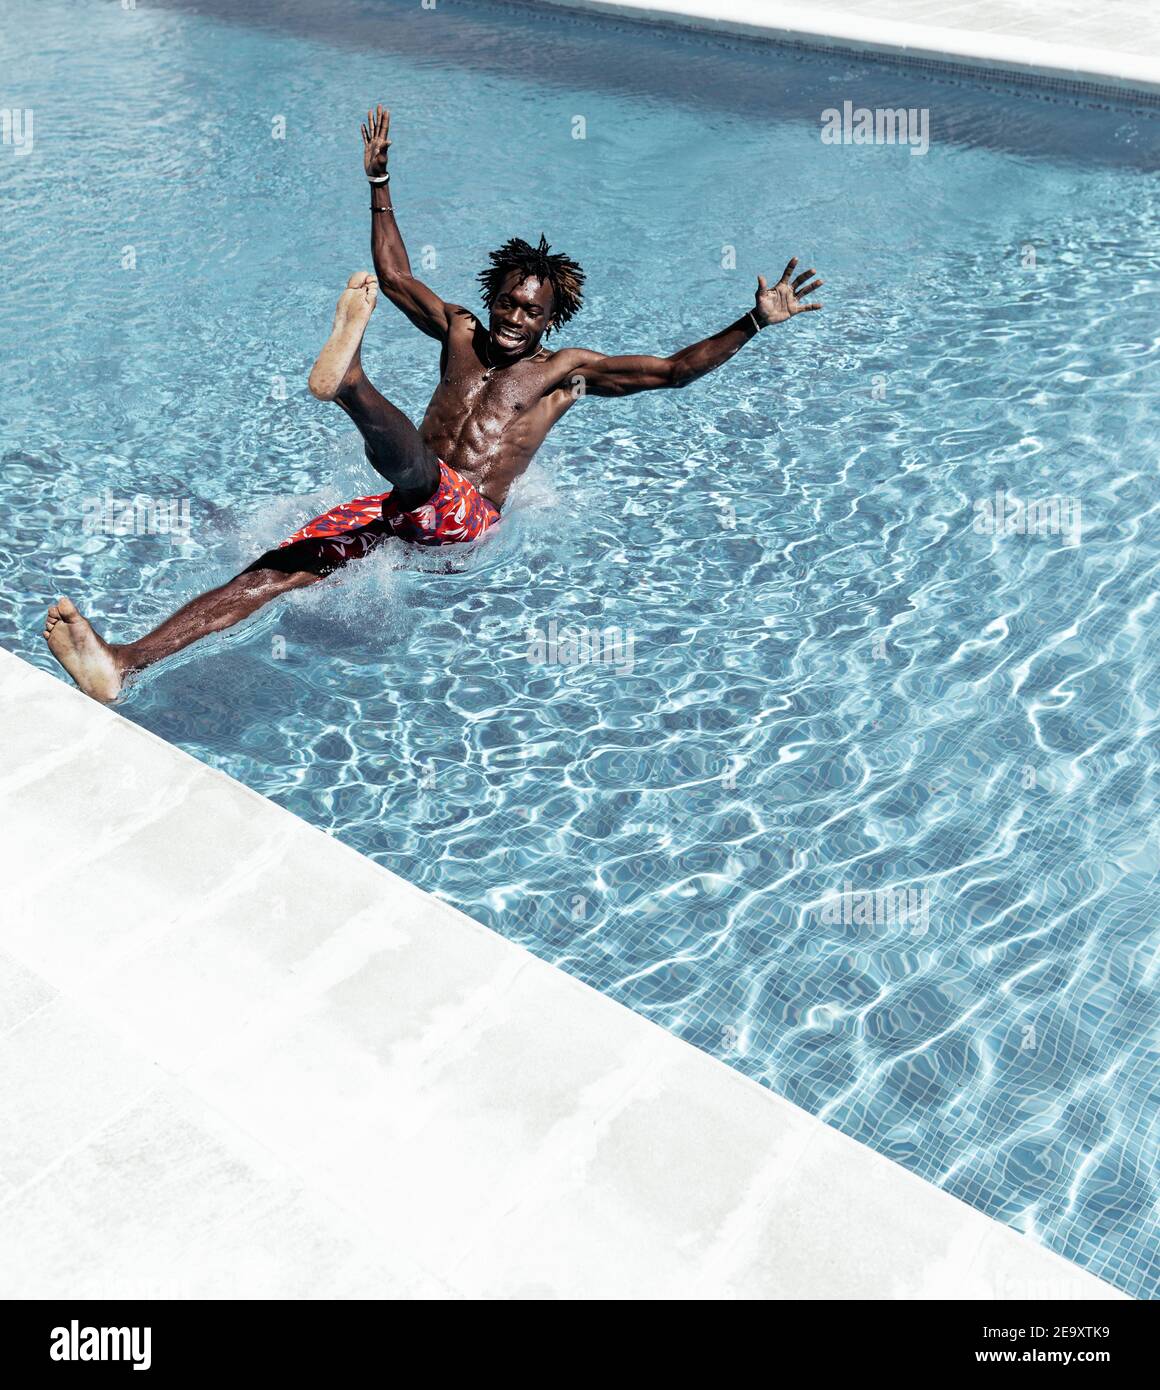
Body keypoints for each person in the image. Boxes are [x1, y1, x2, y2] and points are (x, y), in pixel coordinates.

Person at [44, 105, 823, 702]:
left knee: (420, 476)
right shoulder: (458, 331)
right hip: (405, 505)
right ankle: (124, 662)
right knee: (273, 571)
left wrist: (754, 320)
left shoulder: (566, 372)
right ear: (492, 300)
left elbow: (675, 371)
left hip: (463, 521)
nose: (517, 320)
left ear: (552, 318)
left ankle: (349, 385)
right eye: (509, 306)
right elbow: (393, 275)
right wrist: (379, 183)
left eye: (532, 312)